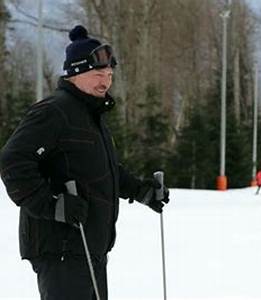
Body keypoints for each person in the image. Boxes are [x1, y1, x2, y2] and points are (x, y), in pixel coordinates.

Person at [0, 25, 169, 300]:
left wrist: (141, 190)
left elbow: (101, 172)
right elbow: (13, 161)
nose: (106, 81)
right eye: (99, 74)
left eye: (110, 75)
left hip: (90, 246)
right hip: (62, 246)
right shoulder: (54, 111)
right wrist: (53, 205)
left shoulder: (91, 116)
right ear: (75, 74)